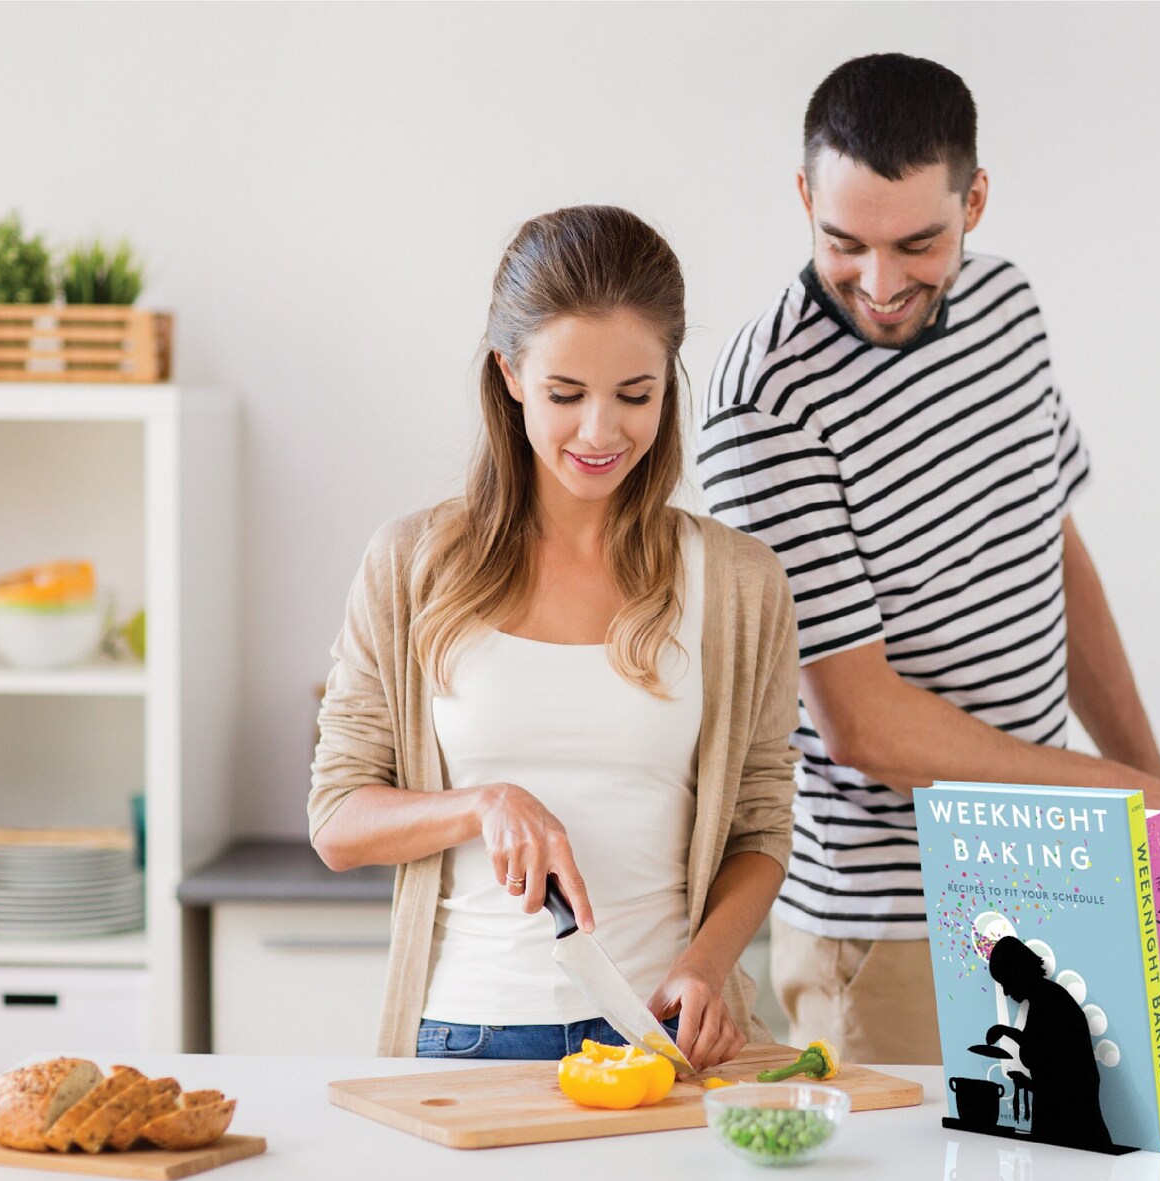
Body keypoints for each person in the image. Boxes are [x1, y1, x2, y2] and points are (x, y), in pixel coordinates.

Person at [698, 54, 1160, 1065]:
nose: (880, 284)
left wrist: (1149, 790)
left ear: (976, 200)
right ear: (801, 198)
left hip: (1057, 874)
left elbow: (1051, 548)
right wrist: (1124, 798)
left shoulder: (1007, 309)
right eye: (842, 242)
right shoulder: (764, 404)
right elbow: (864, 726)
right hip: (894, 929)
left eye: (918, 243)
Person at [310, 206, 801, 1068]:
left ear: (669, 383)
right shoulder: (411, 565)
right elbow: (337, 819)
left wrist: (706, 966)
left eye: (635, 395)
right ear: (509, 374)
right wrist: (483, 803)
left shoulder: (739, 585)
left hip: (661, 1040)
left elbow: (760, 829)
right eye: (565, 395)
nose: (601, 432)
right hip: (465, 1037)